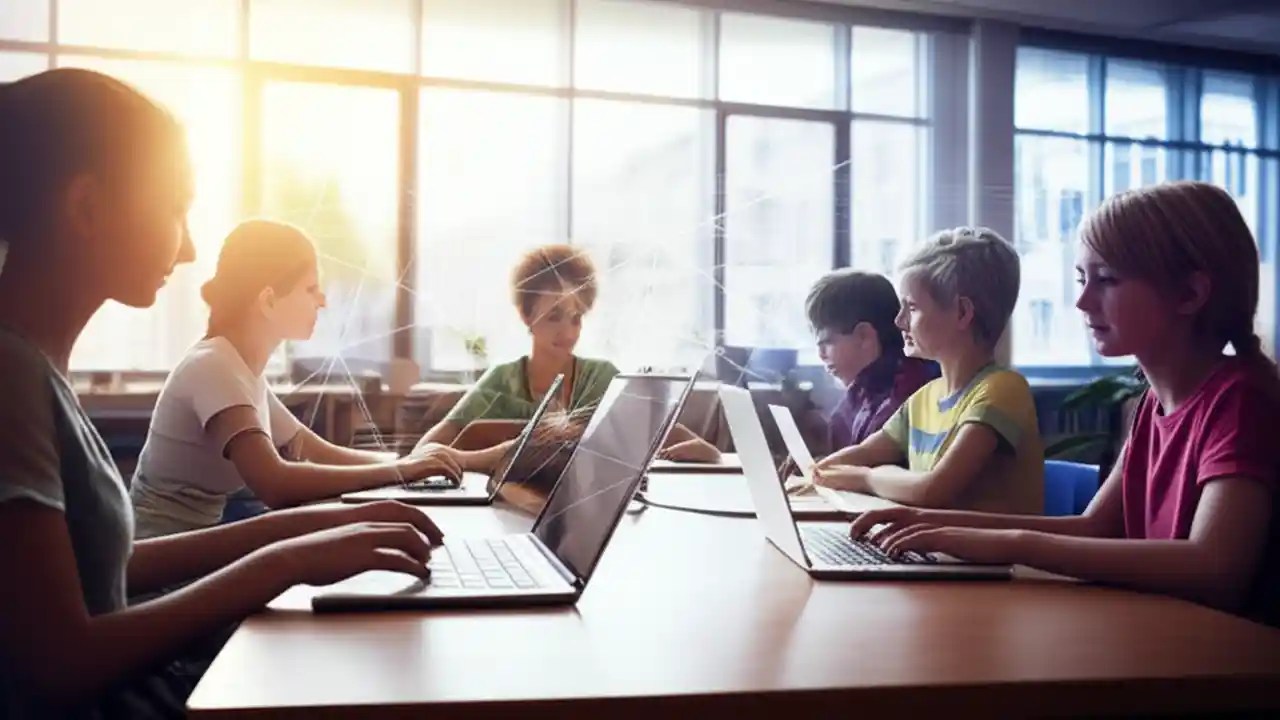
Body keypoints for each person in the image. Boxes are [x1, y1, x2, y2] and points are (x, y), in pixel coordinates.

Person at [0, 68, 443, 718]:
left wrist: (313, 529)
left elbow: (109, 570)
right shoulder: (11, 376)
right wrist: (285, 560)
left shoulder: (35, 370)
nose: (188, 249)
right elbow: (59, 664)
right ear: (87, 209)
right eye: (175, 206)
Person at [851, 182, 1280, 626]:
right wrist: (928, 521)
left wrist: (1015, 543)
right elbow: (1097, 527)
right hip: (1164, 637)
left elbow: (1216, 570)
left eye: (1107, 280)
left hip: (1222, 669)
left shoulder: (1239, 401)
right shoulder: (1155, 402)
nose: (1082, 301)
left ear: (1190, 295)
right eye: (1081, 278)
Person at [130, 220, 499, 538]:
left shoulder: (240, 370)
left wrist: (416, 463)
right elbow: (275, 483)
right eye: (310, 289)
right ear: (269, 300)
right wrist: (402, 470)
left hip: (194, 553)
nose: (322, 301)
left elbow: (312, 449)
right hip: (161, 572)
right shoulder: (213, 367)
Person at [813, 227, 1043, 515]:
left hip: (995, 561)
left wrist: (866, 478)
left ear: (962, 313)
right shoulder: (925, 398)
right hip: (940, 555)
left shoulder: (1003, 390)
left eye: (912, 307)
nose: (899, 321)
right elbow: (866, 453)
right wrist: (814, 473)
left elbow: (933, 489)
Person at [415, 243, 717, 461]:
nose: (569, 332)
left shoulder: (603, 377)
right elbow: (425, 451)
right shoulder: (502, 380)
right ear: (526, 316)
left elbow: (676, 436)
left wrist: (706, 453)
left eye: (576, 318)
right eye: (554, 317)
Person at [805, 269, 937, 454]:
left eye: (827, 343)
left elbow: (862, 473)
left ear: (864, 336)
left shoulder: (903, 397)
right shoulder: (861, 394)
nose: (821, 355)